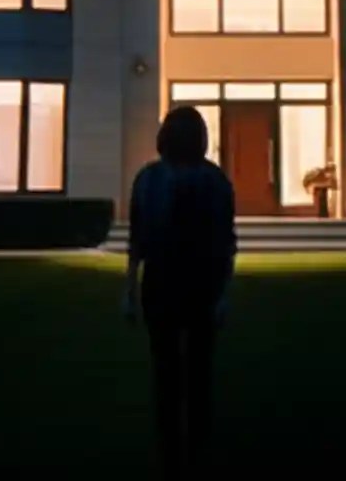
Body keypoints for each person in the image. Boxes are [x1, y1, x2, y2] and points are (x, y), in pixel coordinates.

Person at [124, 106, 237, 479]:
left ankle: (178, 448)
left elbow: (136, 244)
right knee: (192, 370)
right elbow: (225, 245)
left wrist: (129, 293)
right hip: (192, 284)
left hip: (173, 284)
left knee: (172, 370)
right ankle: (188, 447)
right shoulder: (211, 181)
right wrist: (223, 295)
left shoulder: (154, 179)